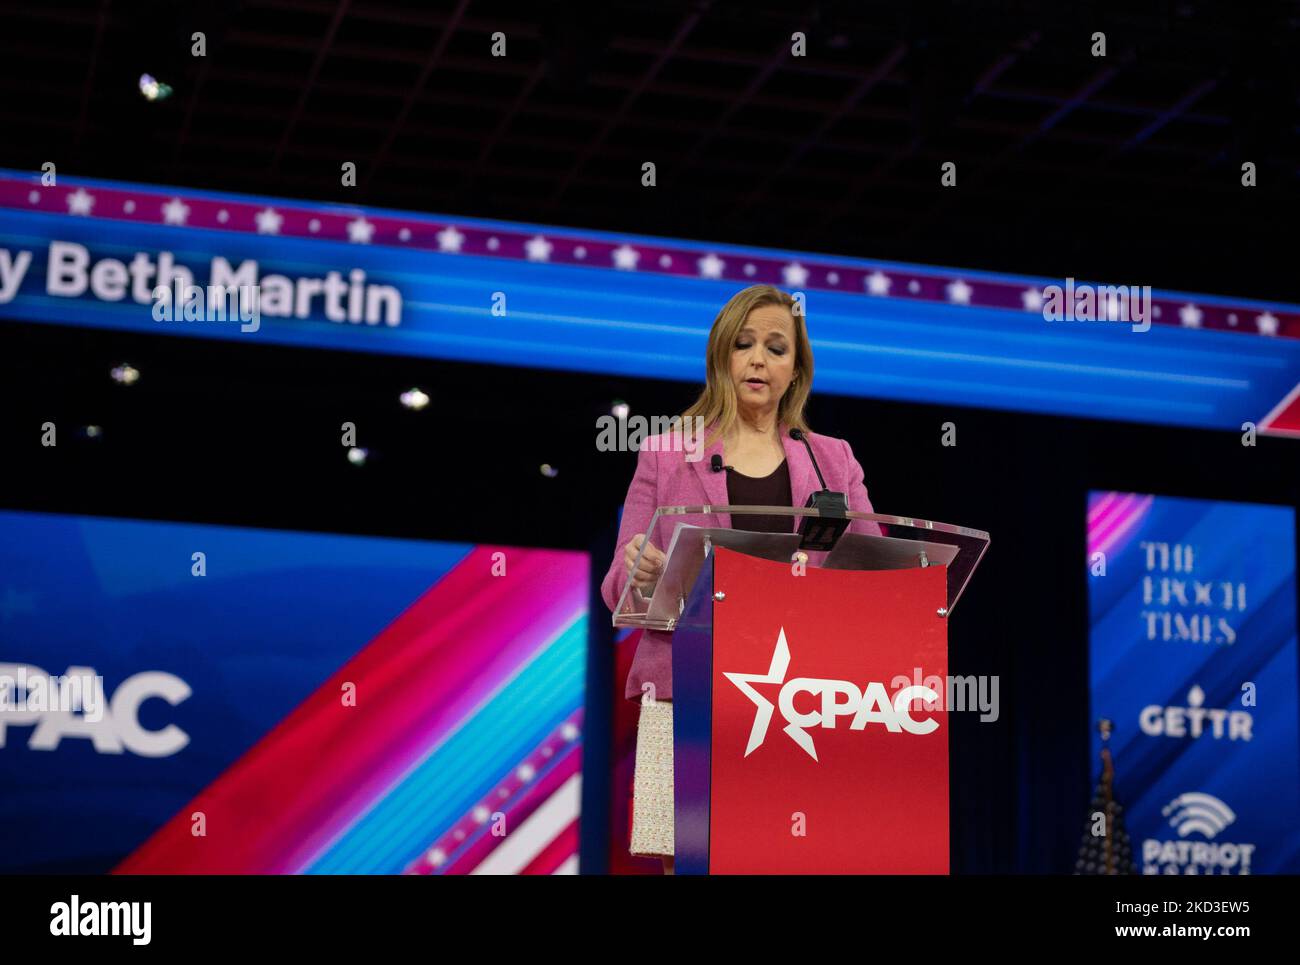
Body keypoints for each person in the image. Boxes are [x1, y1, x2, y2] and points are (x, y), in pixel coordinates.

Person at [600, 284, 883, 874]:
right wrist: (642, 572)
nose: (758, 359)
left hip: (804, 697)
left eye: (776, 348)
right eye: (745, 344)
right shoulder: (664, 453)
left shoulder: (834, 459)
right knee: (694, 861)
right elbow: (619, 593)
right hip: (689, 694)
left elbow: (874, 572)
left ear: (795, 368)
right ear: (721, 356)